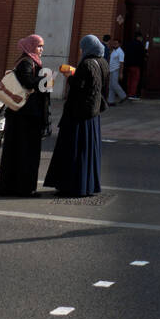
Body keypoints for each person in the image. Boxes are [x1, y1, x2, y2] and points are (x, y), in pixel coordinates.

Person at [43, 35, 109, 197]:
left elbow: (79, 86)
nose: (81, 50)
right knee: (88, 149)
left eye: (82, 47)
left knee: (73, 148)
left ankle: (71, 184)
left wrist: (70, 77)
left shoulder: (86, 64)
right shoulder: (103, 63)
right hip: (93, 113)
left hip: (78, 113)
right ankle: (88, 184)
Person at [0, 35, 50, 197]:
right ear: (31, 46)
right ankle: (24, 188)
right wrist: (46, 79)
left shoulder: (31, 62)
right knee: (26, 152)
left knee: (19, 151)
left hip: (25, 115)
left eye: (42, 46)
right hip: (25, 116)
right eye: (39, 46)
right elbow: (28, 83)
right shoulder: (26, 62)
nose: (41, 49)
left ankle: (15, 187)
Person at [123, 30, 146, 101]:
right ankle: (132, 94)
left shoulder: (129, 44)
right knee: (134, 80)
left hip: (128, 65)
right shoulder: (140, 45)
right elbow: (143, 55)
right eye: (141, 38)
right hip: (136, 65)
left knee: (129, 80)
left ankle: (128, 93)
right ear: (139, 37)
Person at [108, 37, 126, 105]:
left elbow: (121, 63)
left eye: (116, 43)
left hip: (116, 70)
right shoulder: (113, 51)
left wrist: (121, 73)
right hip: (111, 70)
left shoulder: (120, 52)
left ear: (119, 44)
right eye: (114, 43)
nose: (114, 44)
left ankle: (123, 96)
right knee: (111, 86)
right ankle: (111, 101)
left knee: (114, 84)